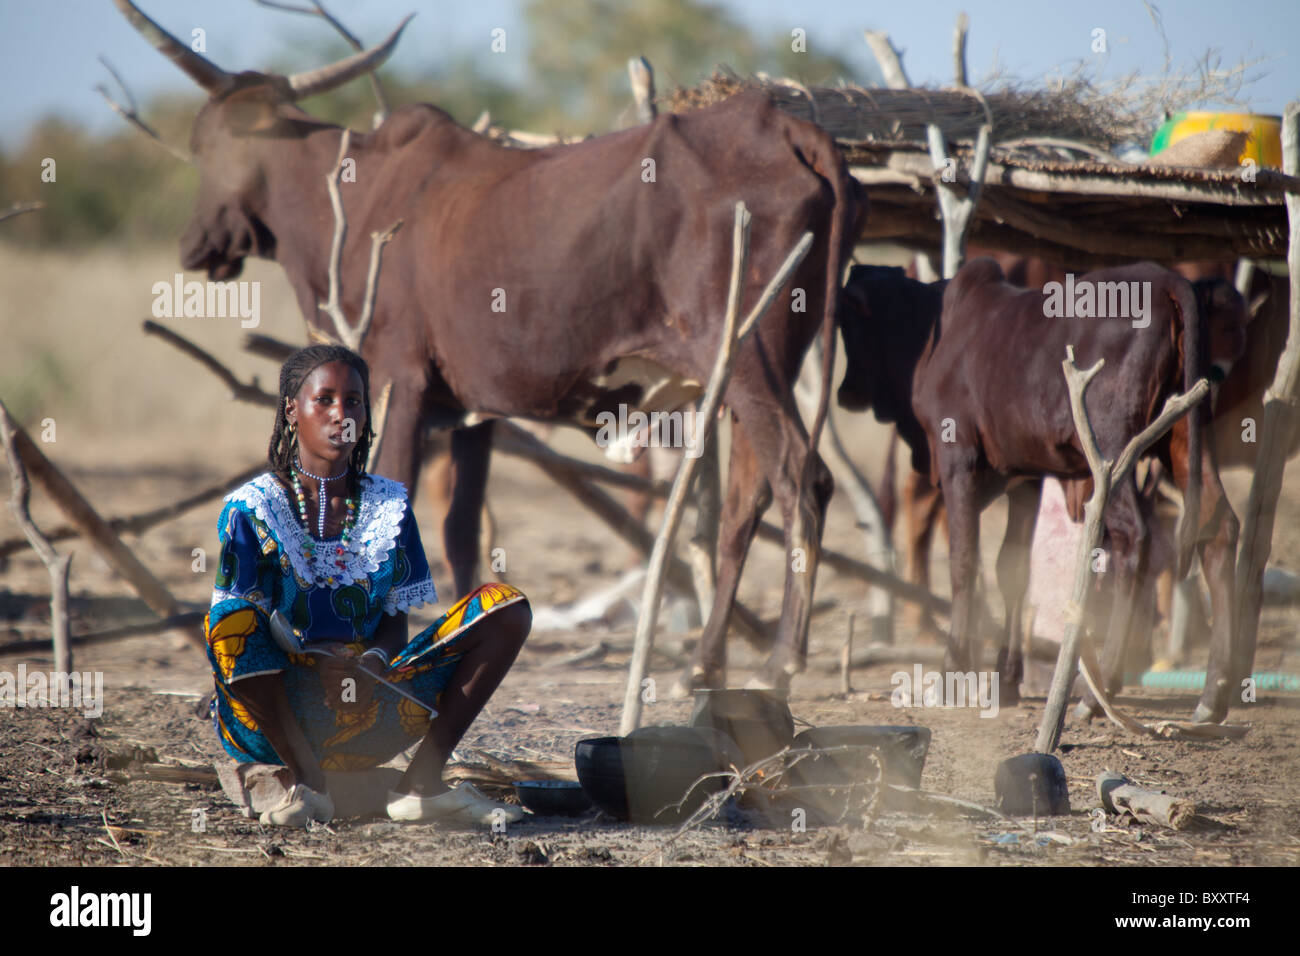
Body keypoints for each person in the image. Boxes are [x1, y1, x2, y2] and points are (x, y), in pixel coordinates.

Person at [203, 344, 532, 827]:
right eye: (326, 400)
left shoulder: (389, 508)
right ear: (292, 410)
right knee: (226, 620)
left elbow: (394, 627)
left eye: (354, 402)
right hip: (271, 720)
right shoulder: (253, 509)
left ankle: (420, 786)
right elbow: (240, 633)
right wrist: (319, 662)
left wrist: (369, 664)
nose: (343, 416)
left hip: (371, 710)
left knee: (507, 607)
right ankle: (308, 783)